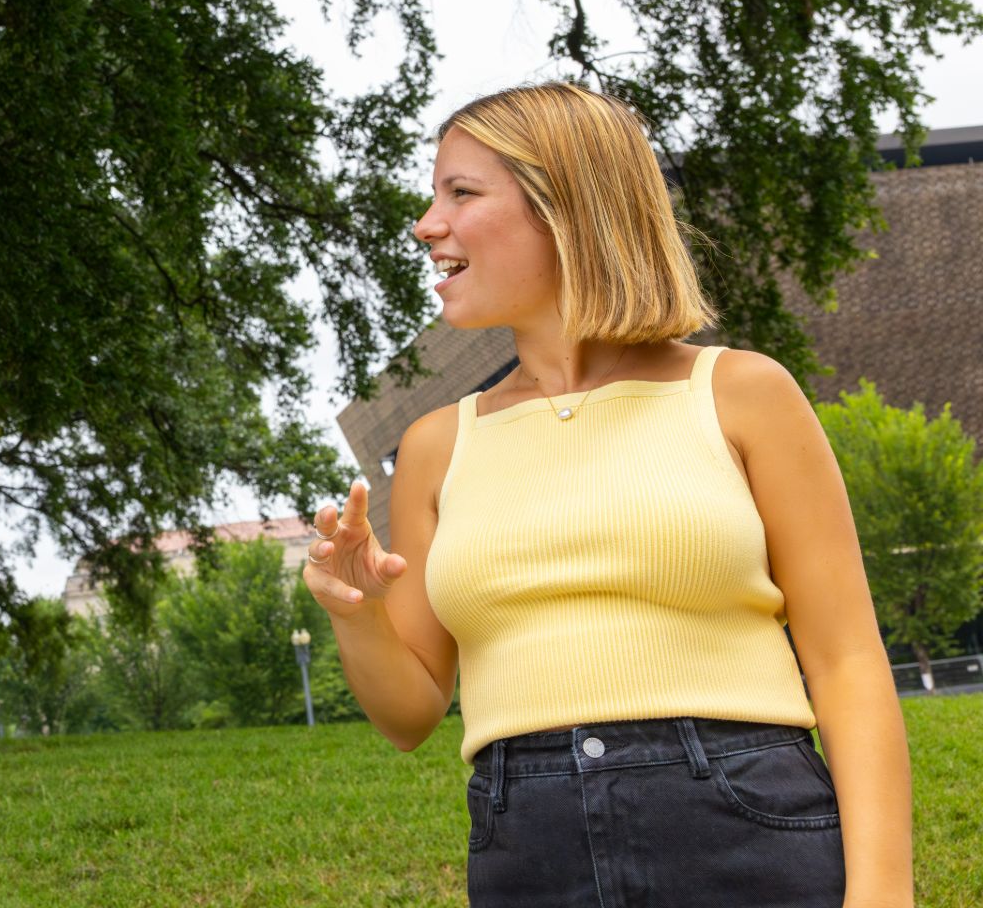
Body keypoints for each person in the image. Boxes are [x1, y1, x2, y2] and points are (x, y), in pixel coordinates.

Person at [302, 82, 912, 907]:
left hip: (747, 822)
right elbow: (410, 714)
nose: (426, 224)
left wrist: (883, 893)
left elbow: (847, 664)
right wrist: (354, 611)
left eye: (461, 193)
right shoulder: (436, 445)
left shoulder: (742, 394)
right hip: (527, 851)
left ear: (566, 207)